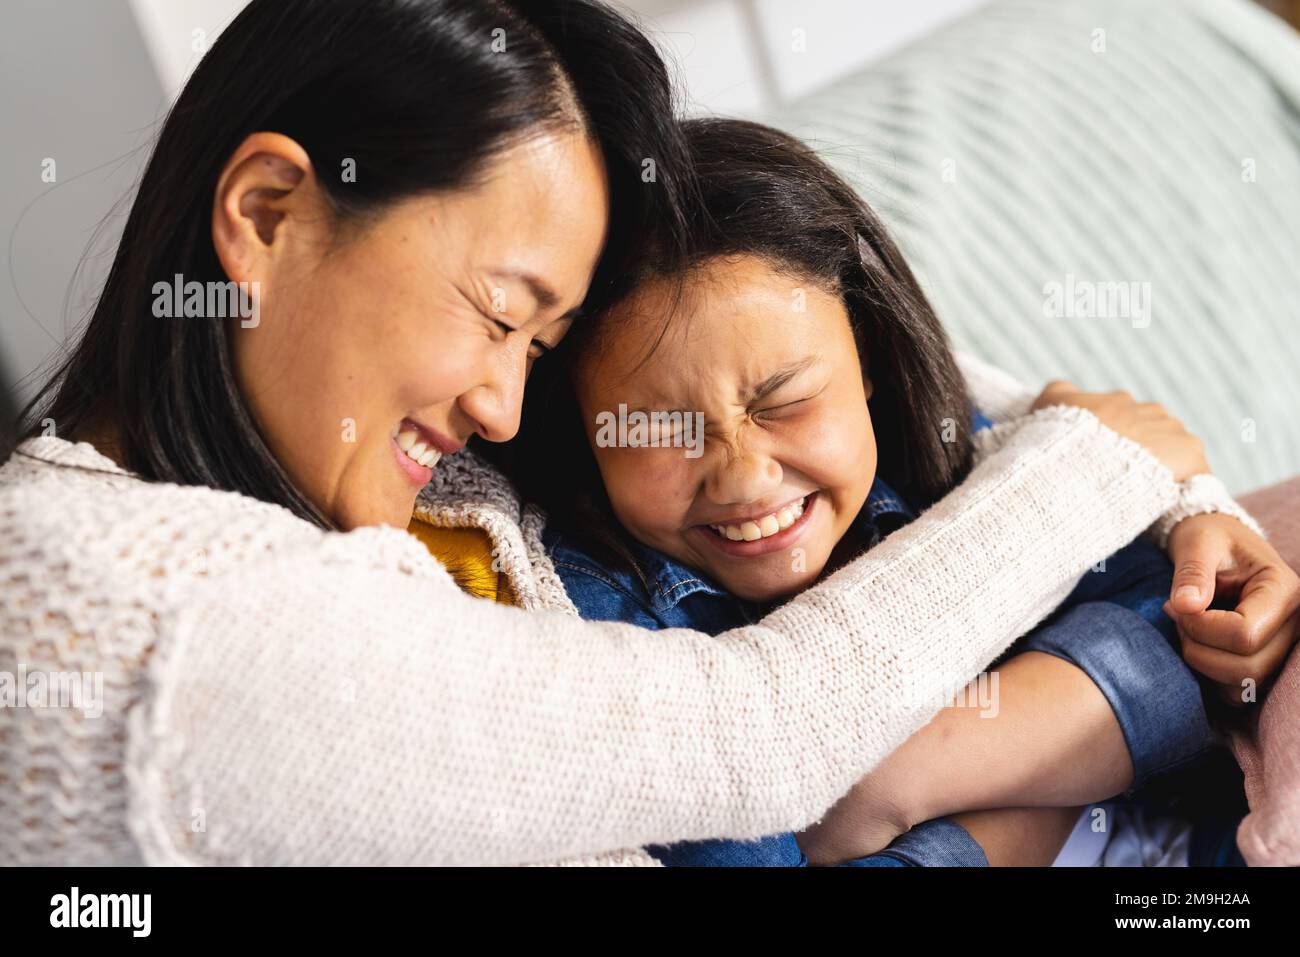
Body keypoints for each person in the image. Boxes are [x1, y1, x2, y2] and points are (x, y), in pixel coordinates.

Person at [1, 0, 1293, 867]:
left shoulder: (326, 469)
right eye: (500, 312)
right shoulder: (159, 628)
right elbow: (760, 736)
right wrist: (1102, 465)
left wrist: (1157, 481)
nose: (504, 403)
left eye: (539, 345)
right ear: (272, 211)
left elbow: (815, 349)